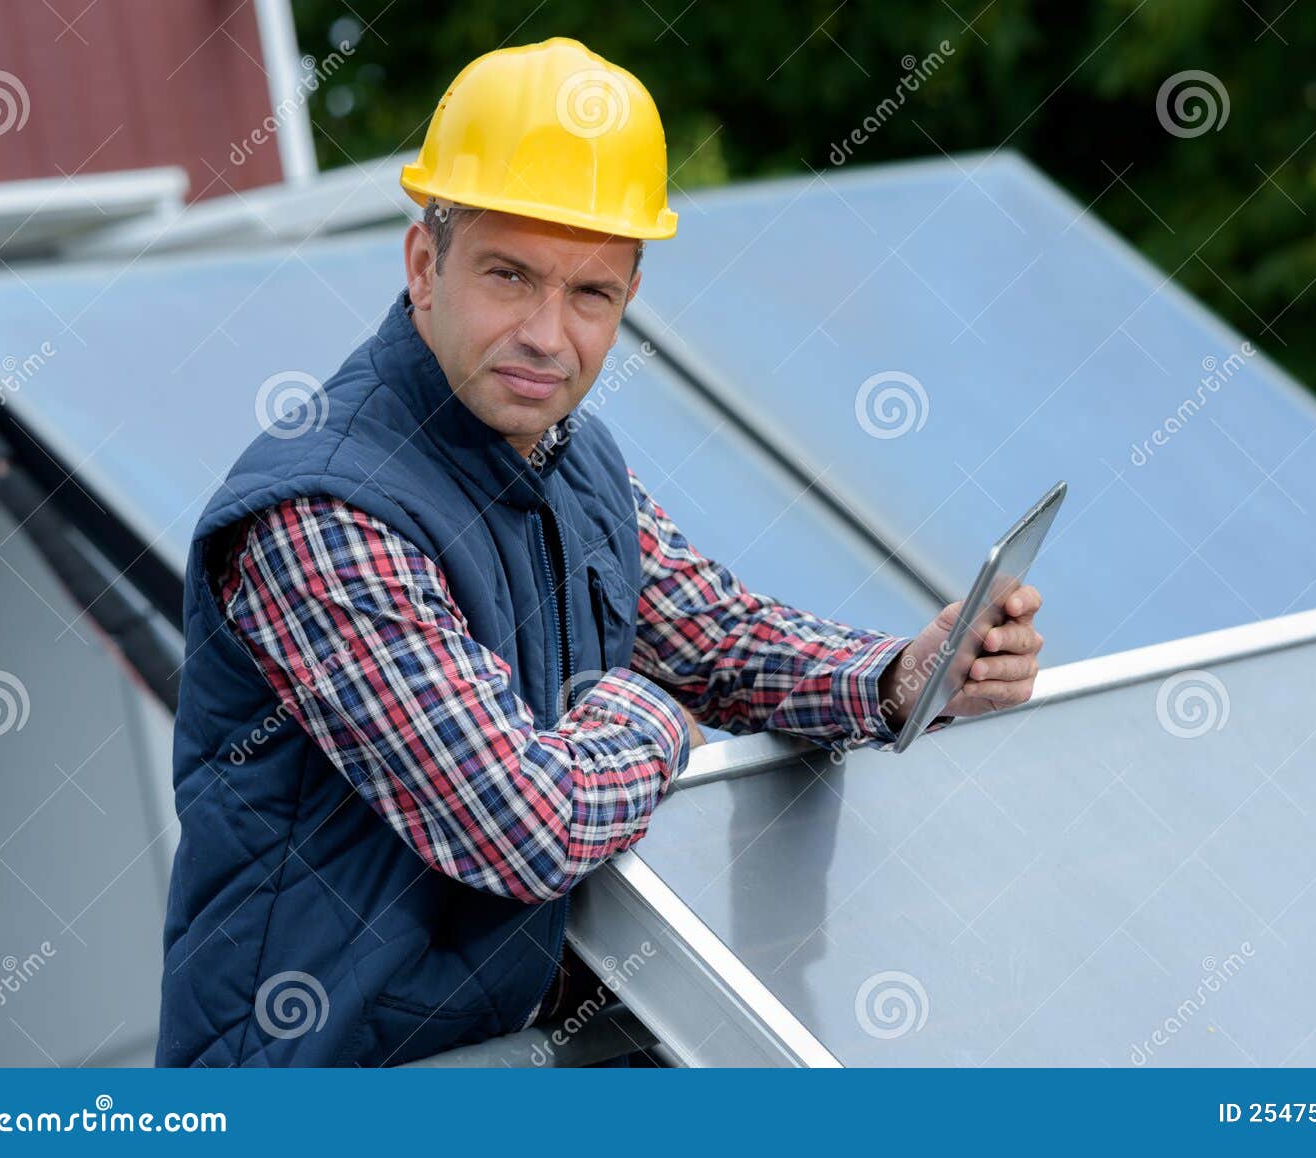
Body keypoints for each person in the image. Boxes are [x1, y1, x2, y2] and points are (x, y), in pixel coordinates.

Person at [155, 36, 1044, 1067]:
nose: (547, 334)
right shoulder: (323, 517)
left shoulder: (569, 459)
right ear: (422, 264)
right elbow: (522, 824)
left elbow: (721, 641)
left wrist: (901, 676)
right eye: (509, 275)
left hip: (495, 1056)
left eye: (591, 295)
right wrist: (649, 719)